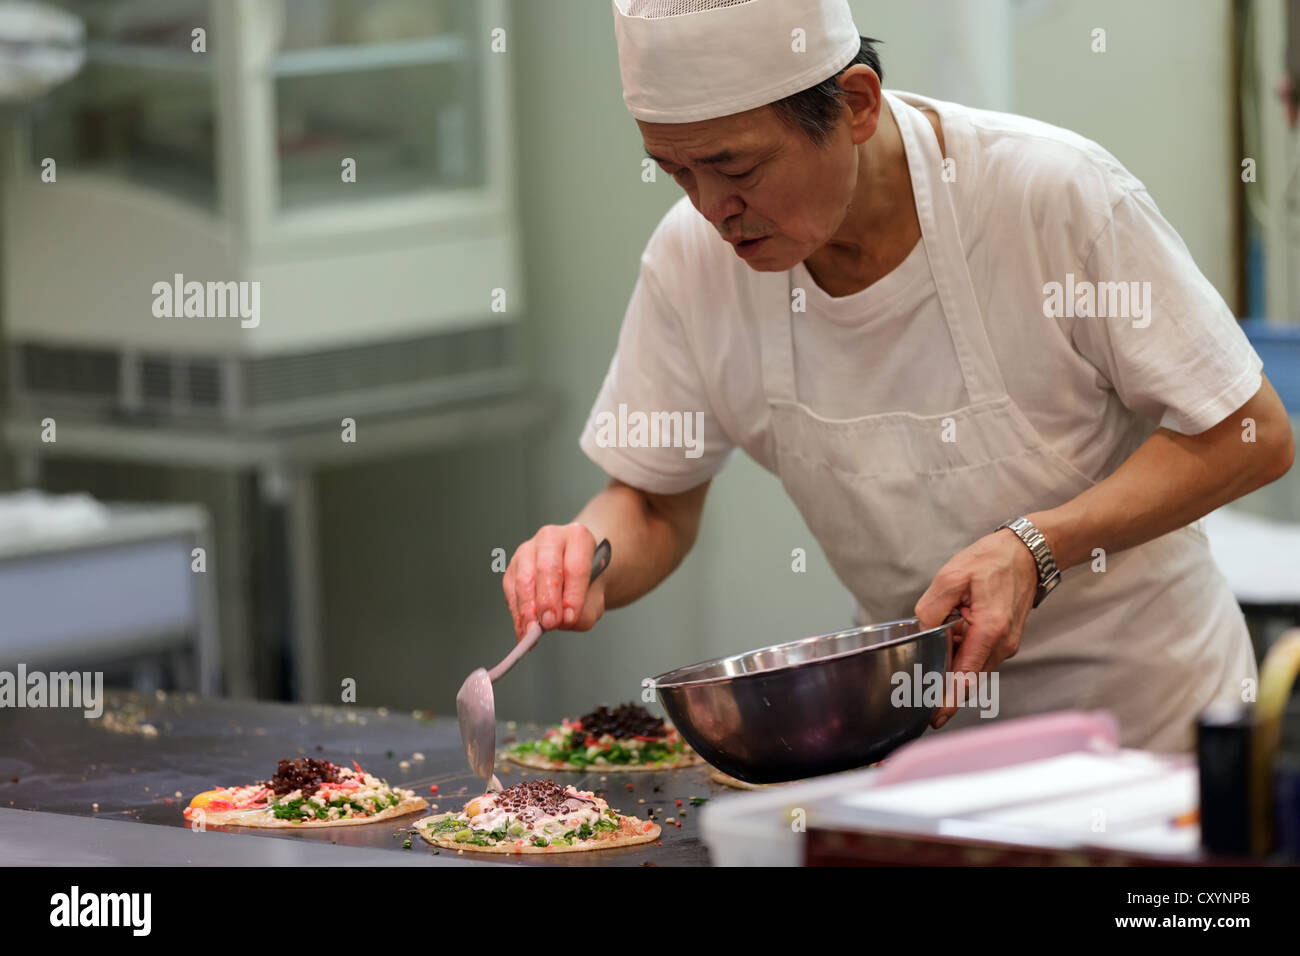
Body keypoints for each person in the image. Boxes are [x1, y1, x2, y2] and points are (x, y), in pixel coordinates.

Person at [501, 0, 1295, 751]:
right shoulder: (691, 260)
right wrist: (587, 553)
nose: (713, 209)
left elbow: (1251, 433)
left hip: (1148, 736)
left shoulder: (1049, 197)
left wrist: (1037, 545)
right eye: (676, 172)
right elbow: (651, 501)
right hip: (922, 750)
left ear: (856, 104)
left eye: (733, 166)